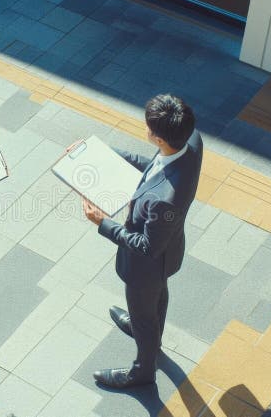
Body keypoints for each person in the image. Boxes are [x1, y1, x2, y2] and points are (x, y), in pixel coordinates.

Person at [81, 94, 203, 388]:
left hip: (146, 267)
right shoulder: (192, 142)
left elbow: (147, 247)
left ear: (159, 138)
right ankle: (145, 327)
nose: (145, 128)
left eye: (149, 127)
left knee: (144, 312)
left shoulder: (164, 201)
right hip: (168, 253)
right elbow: (152, 167)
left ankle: (143, 372)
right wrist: (99, 152)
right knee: (156, 297)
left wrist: (102, 222)